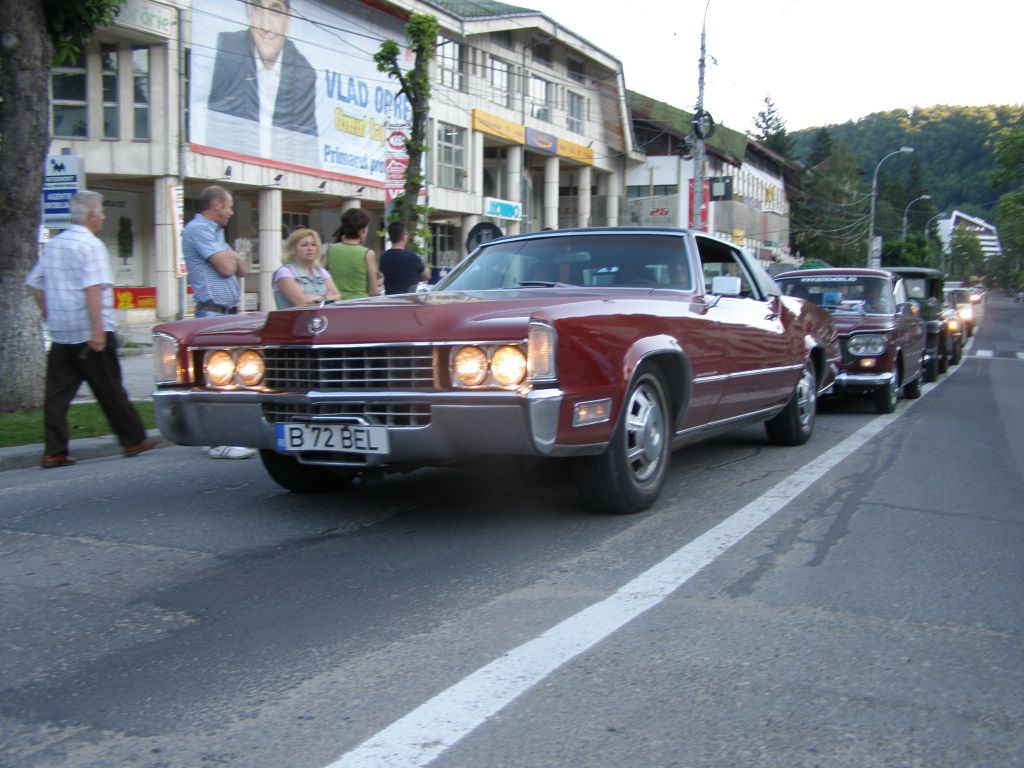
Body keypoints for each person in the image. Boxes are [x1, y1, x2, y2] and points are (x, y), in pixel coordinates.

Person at [25, 190, 160, 469]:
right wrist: (98, 330)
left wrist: (47, 310)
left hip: (62, 332)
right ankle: (133, 439)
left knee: (57, 394)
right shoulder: (91, 245)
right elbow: (93, 289)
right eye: (100, 211)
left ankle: (54, 451)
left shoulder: (54, 245)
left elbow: (35, 282)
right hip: (89, 331)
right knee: (110, 387)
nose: (103, 216)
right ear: (90, 215)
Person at [182, 185, 256, 460]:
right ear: (215, 204)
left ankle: (216, 434)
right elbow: (228, 268)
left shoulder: (216, 234)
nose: (231, 212)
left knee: (229, 376)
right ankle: (218, 440)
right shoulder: (198, 229)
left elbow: (243, 268)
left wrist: (234, 257)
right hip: (212, 313)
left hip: (227, 312)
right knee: (218, 378)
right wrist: (232, 258)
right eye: (229, 206)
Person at [206, 0, 318, 167]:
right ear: (248, 10)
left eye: (275, 11)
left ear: (288, 20)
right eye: (258, 9)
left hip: (284, 172)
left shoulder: (304, 74)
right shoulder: (228, 49)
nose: (266, 25)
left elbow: (308, 148)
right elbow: (216, 127)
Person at [273, 228, 341, 308]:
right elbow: (302, 304)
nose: (310, 248)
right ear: (293, 249)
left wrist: (315, 298)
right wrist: (327, 298)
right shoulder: (285, 272)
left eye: (313, 244)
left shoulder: (320, 271)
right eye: (304, 245)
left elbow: (337, 298)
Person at [327, 208, 380, 300]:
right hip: (359, 305)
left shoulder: (331, 249)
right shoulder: (367, 253)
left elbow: (320, 275)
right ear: (362, 231)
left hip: (336, 304)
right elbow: (374, 291)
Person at [379, 221, 430, 295]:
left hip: (390, 299)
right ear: (404, 236)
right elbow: (426, 276)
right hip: (409, 300)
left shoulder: (383, 257)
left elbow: (381, 276)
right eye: (406, 234)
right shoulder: (412, 256)